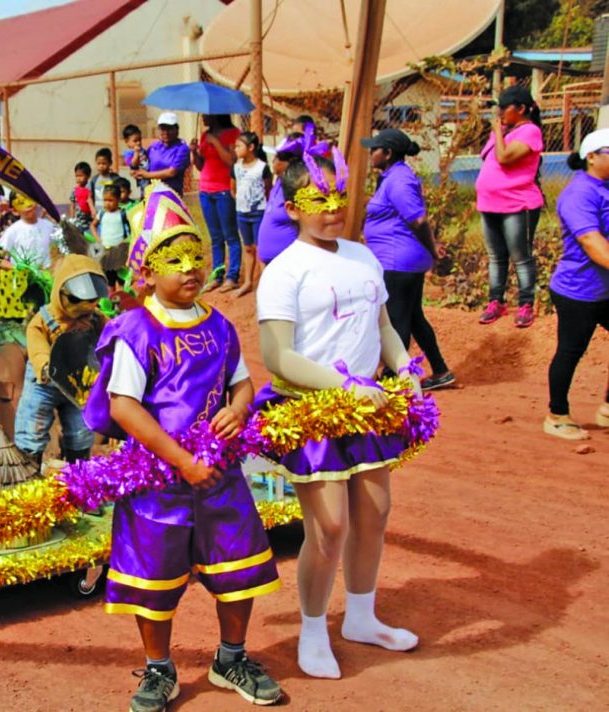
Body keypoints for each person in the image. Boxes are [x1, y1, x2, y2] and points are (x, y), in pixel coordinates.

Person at [83, 182, 282, 710]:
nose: (191, 267)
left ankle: (231, 658)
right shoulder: (136, 329)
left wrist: (239, 409)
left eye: (197, 255)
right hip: (157, 483)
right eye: (174, 260)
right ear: (147, 272)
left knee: (238, 568)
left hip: (219, 476)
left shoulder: (219, 325)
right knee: (153, 581)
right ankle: (158, 669)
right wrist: (182, 462)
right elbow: (124, 407)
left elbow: (242, 382)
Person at [256, 151, 420, 680]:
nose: (332, 210)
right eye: (318, 200)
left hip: (366, 408)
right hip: (313, 411)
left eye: (339, 198)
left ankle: (362, 617)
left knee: (375, 513)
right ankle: (312, 628)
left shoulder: (363, 256)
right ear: (291, 207)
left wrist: (404, 366)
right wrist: (345, 386)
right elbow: (278, 357)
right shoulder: (283, 271)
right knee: (329, 526)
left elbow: (384, 326)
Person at [362, 128, 455, 391]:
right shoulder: (391, 177)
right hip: (398, 260)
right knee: (413, 317)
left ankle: (392, 379)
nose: (370, 153)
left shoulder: (399, 180)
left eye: (374, 149)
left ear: (388, 153)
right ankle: (441, 371)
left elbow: (418, 220)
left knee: (396, 320)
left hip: (398, 261)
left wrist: (432, 249)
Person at [543, 129, 609, 440]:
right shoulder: (579, 193)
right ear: (591, 157)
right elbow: (592, 243)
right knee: (571, 351)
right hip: (579, 290)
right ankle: (557, 415)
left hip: (605, 289)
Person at [15, 255, 109, 466]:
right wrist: (45, 364)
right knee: (32, 427)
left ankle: (78, 471)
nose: (86, 306)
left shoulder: (95, 318)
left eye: (91, 300)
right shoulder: (42, 321)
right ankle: (28, 470)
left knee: (80, 430)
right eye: (78, 299)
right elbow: (37, 347)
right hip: (44, 383)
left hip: (79, 382)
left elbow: (112, 334)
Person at [475, 85, 545, 328]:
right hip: (490, 203)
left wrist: (497, 131)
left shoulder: (530, 131)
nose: (500, 112)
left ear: (522, 108)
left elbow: (504, 158)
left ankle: (526, 304)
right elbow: (487, 157)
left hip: (517, 203)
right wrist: (500, 132)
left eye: (505, 107)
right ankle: (496, 301)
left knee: (520, 256)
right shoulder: (507, 131)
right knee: (496, 256)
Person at [191, 115, 242, 293]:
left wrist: (215, 142)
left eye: (207, 114)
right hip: (205, 190)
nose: (203, 117)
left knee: (230, 235)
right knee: (215, 237)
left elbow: (231, 161)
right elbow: (200, 166)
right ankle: (217, 275)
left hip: (224, 190)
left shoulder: (233, 133)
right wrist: (194, 153)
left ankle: (232, 276)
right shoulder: (205, 135)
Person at [258, 130, 314, 265]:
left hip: (289, 264)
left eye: (277, 157)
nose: (273, 161)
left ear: (289, 163)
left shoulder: (297, 188)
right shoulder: (278, 182)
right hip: (272, 264)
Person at [232, 132, 271, 297]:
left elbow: (268, 190)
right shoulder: (236, 167)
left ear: (251, 147)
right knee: (247, 247)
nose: (235, 149)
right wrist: (241, 202)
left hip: (259, 213)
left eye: (238, 146)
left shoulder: (262, 167)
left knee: (260, 249)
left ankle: (266, 284)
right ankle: (248, 282)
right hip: (242, 213)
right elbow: (233, 189)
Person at [133, 113, 190, 198]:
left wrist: (147, 175)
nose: (166, 133)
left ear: (177, 130)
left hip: (170, 195)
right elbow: (144, 163)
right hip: (152, 194)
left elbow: (172, 172)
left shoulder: (182, 148)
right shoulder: (154, 146)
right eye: (163, 129)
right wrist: (137, 172)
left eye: (169, 129)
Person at [0, 193, 55, 269]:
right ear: (15, 211)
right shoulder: (13, 231)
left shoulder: (49, 226)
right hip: (24, 276)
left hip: (48, 274)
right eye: (21, 203)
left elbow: (57, 252)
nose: (28, 206)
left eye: (29, 200)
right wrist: (17, 268)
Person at [91, 184, 131, 287]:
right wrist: (98, 239)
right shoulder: (102, 214)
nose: (107, 203)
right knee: (109, 280)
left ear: (118, 199)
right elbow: (92, 226)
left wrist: (126, 240)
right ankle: (110, 295)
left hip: (120, 252)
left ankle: (121, 295)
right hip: (106, 252)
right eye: (105, 200)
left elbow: (132, 228)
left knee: (122, 279)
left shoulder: (123, 214)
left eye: (110, 200)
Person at [123, 124, 150, 199]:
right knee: (145, 191)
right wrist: (136, 153)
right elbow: (133, 165)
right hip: (141, 177)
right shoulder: (129, 153)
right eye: (135, 141)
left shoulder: (142, 150)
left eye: (139, 140)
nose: (138, 143)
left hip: (149, 174)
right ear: (127, 141)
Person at [89, 148, 119, 215]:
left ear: (110, 163)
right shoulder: (94, 180)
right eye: (99, 163)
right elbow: (90, 197)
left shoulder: (115, 179)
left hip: (112, 213)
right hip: (98, 214)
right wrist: (92, 209)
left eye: (104, 163)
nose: (101, 166)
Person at [69, 161, 93, 232]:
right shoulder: (74, 190)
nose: (78, 178)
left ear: (88, 176)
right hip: (78, 222)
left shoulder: (90, 189)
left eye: (81, 176)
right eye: (77, 176)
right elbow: (72, 206)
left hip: (89, 222)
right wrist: (72, 219)